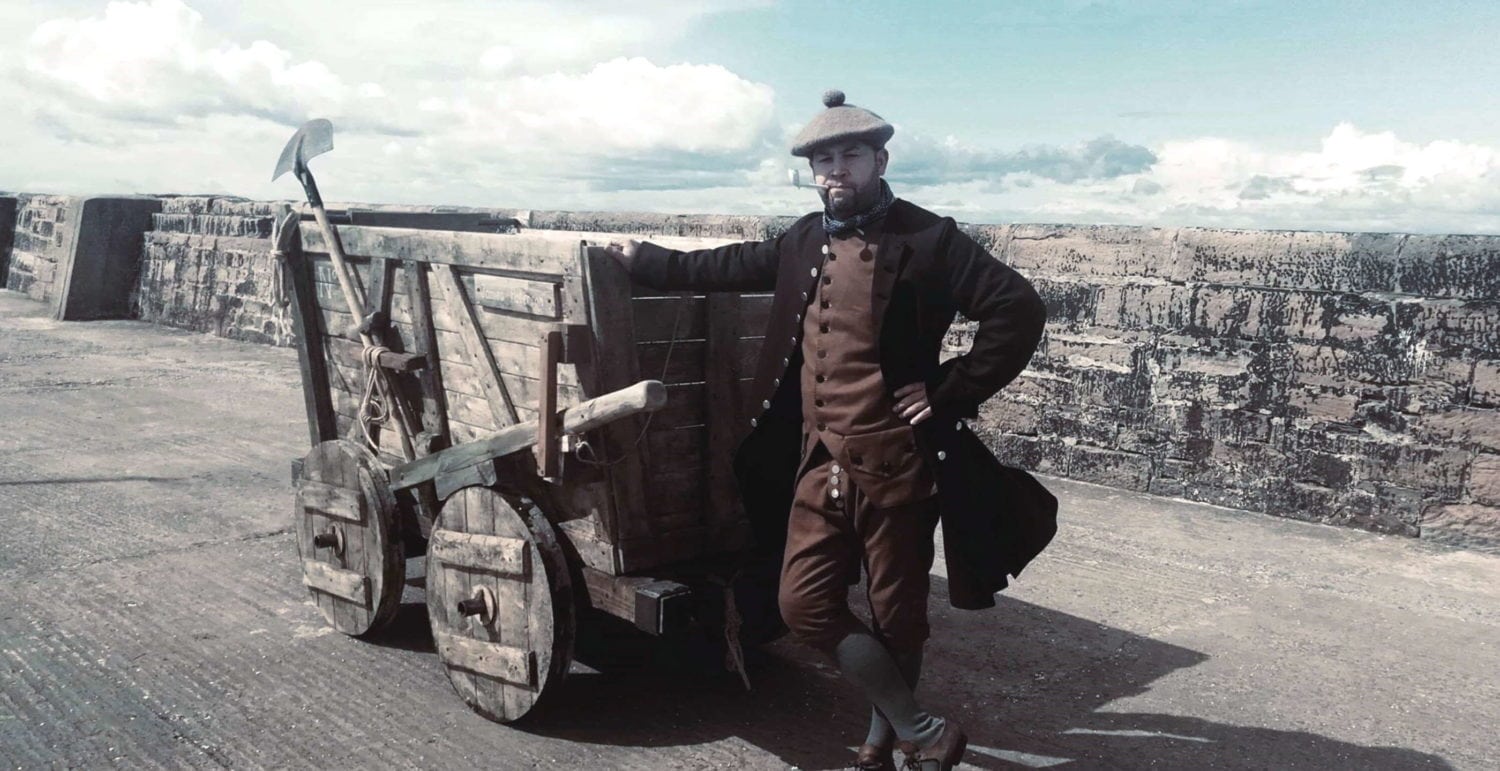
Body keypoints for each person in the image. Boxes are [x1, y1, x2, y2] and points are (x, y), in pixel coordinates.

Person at [607, 90, 1055, 771]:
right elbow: (724, 267)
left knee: (898, 614)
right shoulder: (804, 239)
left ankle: (882, 742)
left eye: (849, 156)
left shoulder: (928, 239)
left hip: (898, 461)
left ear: (879, 159)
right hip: (819, 461)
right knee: (805, 603)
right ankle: (923, 728)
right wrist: (643, 258)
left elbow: (1017, 308)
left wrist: (948, 389)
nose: (835, 170)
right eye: (822, 160)